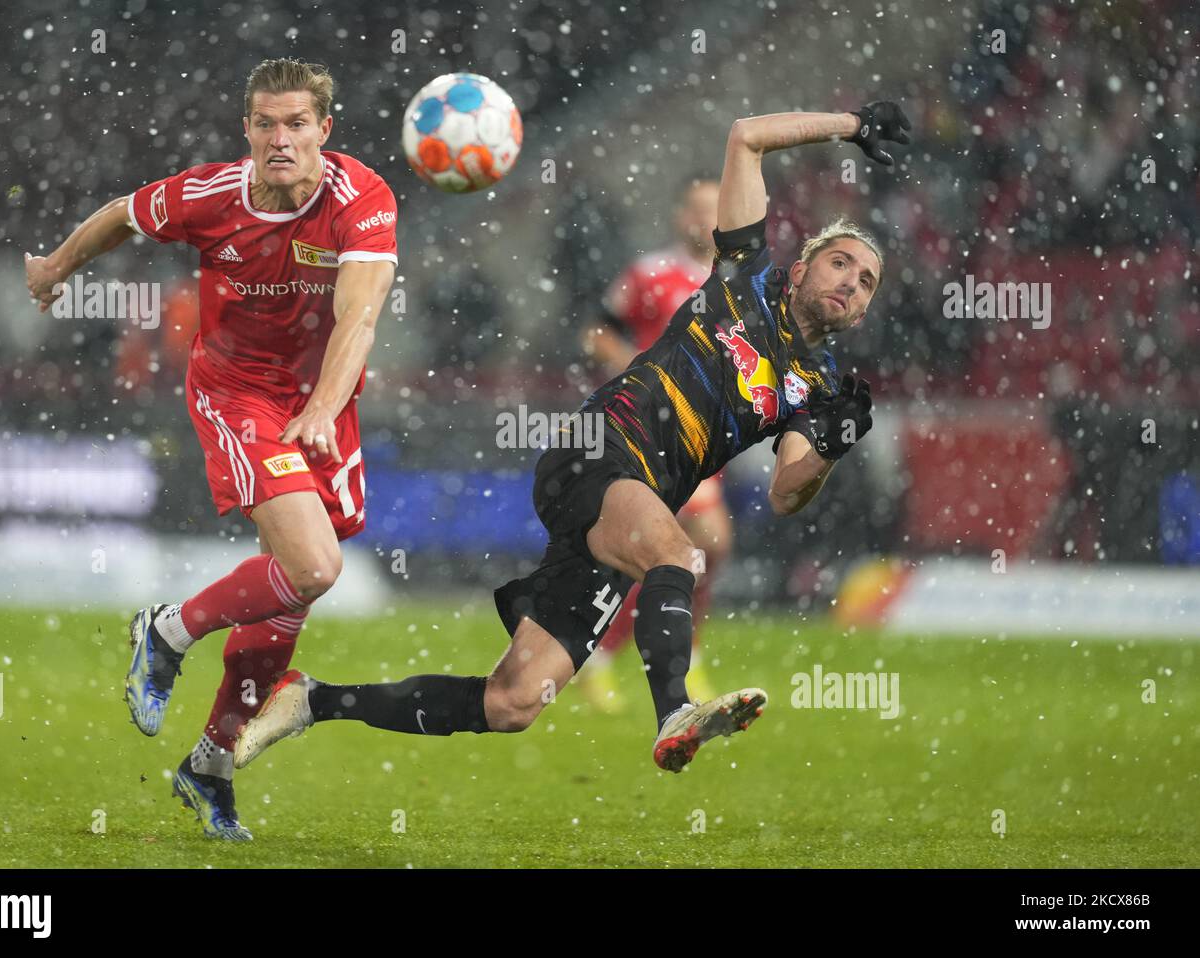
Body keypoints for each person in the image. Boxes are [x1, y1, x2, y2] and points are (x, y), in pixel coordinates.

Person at [234, 101, 909, 780]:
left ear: (864, 310)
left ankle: (311, 701)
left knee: (513, 702)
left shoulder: (817, 388)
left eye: (865, 283)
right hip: (598, 450)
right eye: (841, 264)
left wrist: (831, 443)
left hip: (631, 501)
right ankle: (674, 709)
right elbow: (747, 137)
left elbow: (788, 492)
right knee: (681, 552)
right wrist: (850, 125)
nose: (850, 283)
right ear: (801, 269)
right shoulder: (745, 271)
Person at [23, 59, 398, 839]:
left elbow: (359, 318)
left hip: (322, 401)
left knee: (296, 592)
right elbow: (124, 213)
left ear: (325, 131)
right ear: (248, 130)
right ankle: (169, 630)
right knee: (315, 568)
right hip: (238, 393)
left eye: (297, 123)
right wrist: (57, 267)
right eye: (265, 123)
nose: (280, 138)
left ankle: (213, 760)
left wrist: (326, 408)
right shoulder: (211, 195)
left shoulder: (361, 201)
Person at [578, 175, 733, 711]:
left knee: (692, 550)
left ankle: (606, 654)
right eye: (694, 209)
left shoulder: (736, 283)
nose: (703, 220)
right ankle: (673, 658)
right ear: (679, 217)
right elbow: (596, 333)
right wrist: (641, 375)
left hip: (704, 432)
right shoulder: (648, 275)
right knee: (700, 544)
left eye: (714, 211)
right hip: (650, 429)